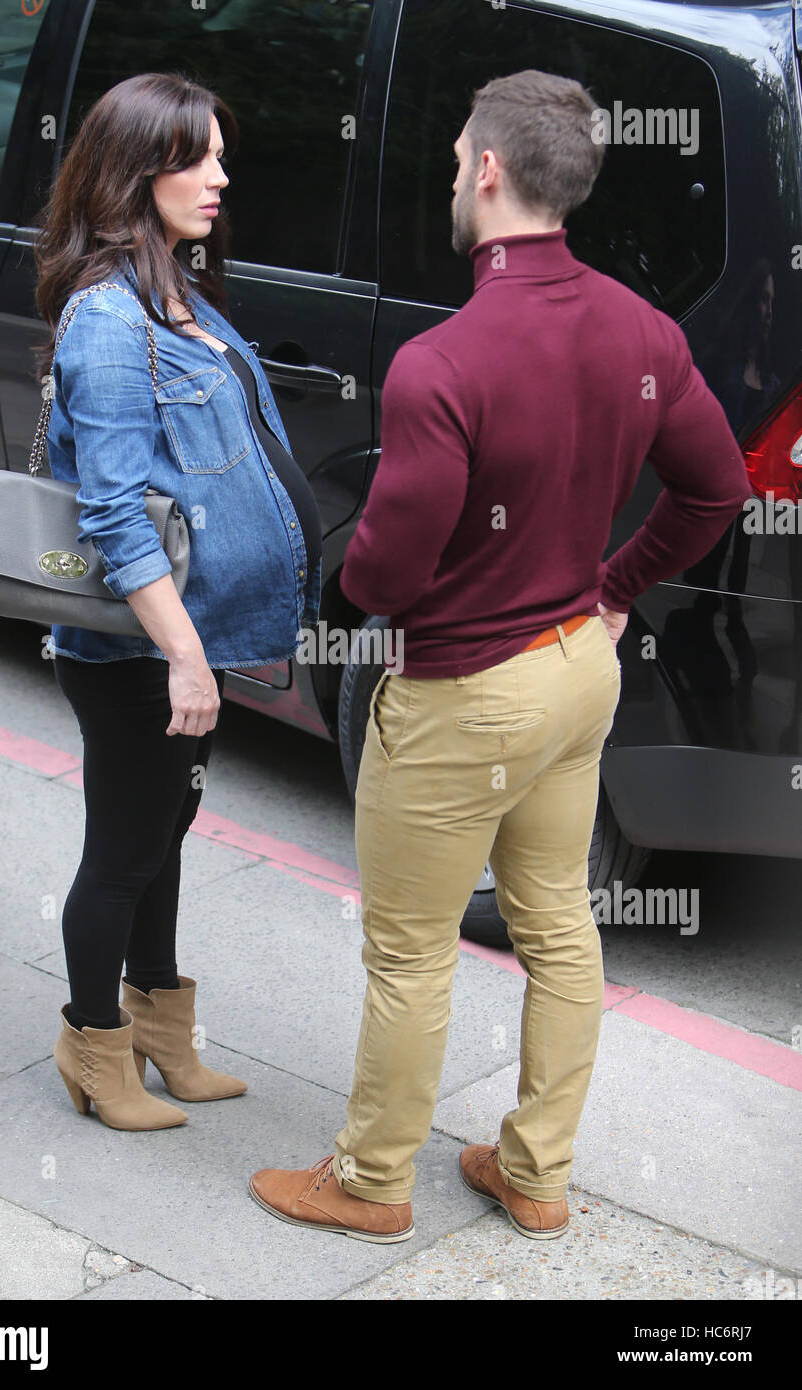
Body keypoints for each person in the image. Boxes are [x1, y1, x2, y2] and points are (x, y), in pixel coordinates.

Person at [249, 69, 751, 1241]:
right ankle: (533, 1170)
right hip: (579, 664)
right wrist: (615, 585)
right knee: (558, 927)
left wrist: (361, 555)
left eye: (456, 156)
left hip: (465, 688)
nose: (451, 176)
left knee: (410, 951)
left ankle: (371, 1184)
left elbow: (378, 576)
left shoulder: (442, 363)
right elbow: (715, 489)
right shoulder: (642, 328)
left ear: (485, 169)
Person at [34, 72, 321, 1132]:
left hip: (186, 641)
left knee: (166, 828)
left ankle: (162, 1035)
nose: (219, 176)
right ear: (136, 170)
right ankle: (93, 1049)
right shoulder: (106, 322)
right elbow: (112, 515)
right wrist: (186, 658)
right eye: (195, 157)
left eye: (218, 154)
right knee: (123, 846)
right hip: (134, 654)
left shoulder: (177, 297)